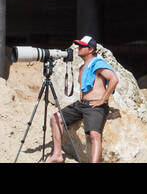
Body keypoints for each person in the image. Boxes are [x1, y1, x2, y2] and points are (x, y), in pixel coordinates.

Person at [48, 35, 117, 163]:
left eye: (81, 46)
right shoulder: (82, 67)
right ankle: (57, 154)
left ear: (90, 49)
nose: (78, 48)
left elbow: (114, 79)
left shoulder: (98, 63)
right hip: (81, 104)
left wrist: (103, 100)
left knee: (94, 134)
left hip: (95, 106)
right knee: (55, 118)